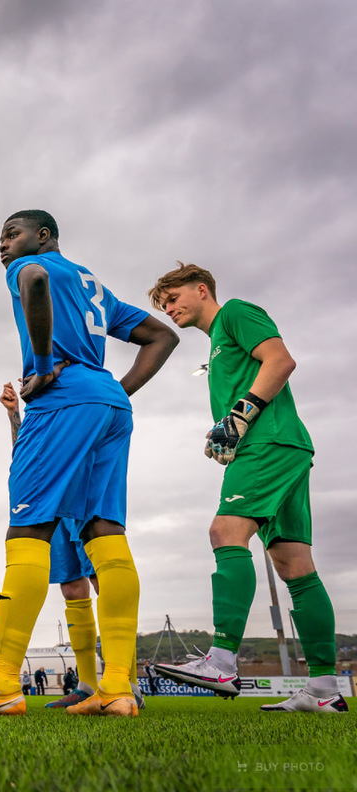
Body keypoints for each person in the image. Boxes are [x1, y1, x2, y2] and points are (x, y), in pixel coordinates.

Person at [0, 210, 178, 718]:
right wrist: (113, 392)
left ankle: (2, 684)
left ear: (43, 236)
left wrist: (46, 366)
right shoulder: (94, 285)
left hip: (62, 399)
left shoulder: (29, 266)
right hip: (108, 402)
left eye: (12, 234)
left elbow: (33, 279)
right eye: (0, 238)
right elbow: (164, 336)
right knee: (104, 532)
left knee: (28, 530)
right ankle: (117, 687)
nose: (3, 245)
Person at [149, 263, 347, 713]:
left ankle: (221, 661)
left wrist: (238, 418)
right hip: (282, 446)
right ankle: (323, 689)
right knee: (294, 564)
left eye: (174, 298)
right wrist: (224, 429)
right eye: (163, 305)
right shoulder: (217, 344)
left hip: (268, 443)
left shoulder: (234, 312)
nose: (169, 309)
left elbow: (281, 360)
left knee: (225, 532)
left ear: (202, 289)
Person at [0, 382, 132, 710]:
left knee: (100, 579)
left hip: (85, 495)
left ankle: (123, 680)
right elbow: (25, 454)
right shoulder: (39, 410)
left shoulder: (76, 389)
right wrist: (14, 413)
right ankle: (87, 684)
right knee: (72, 588)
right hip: (51, 505)